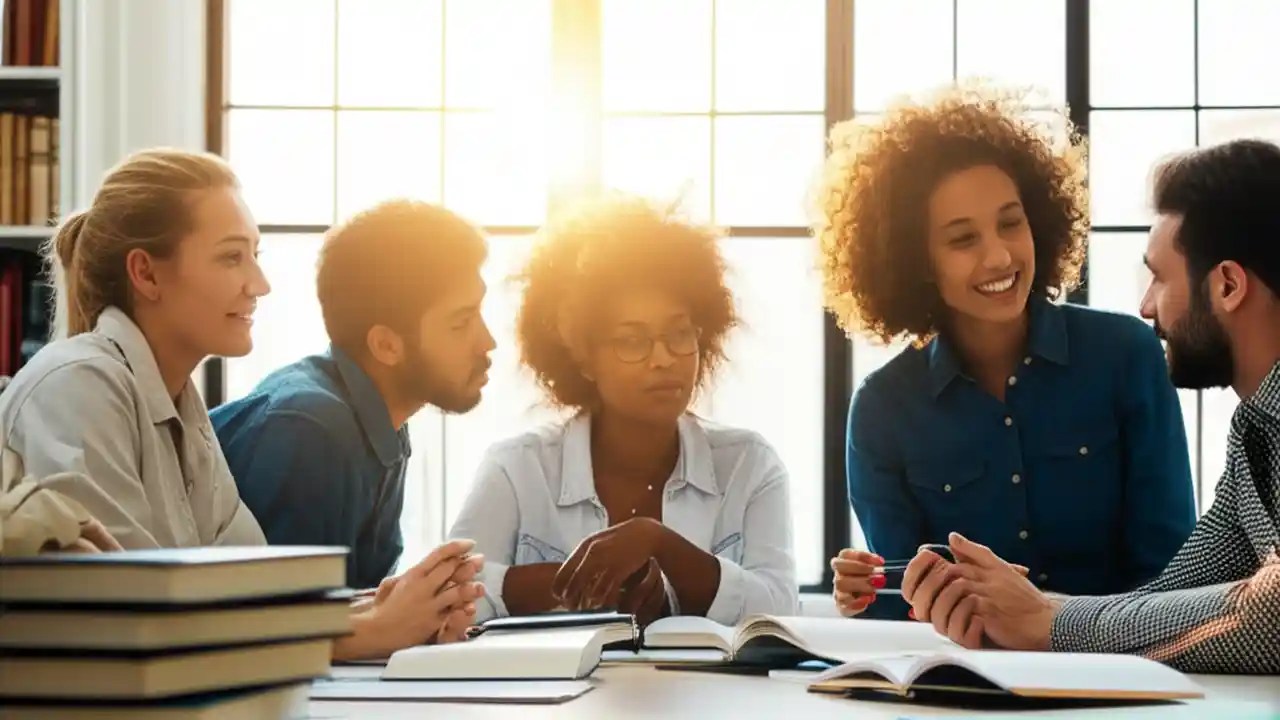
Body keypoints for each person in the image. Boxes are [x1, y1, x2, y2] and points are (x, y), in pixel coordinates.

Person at [0, 148, 483, 660]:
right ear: (146, 273)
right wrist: (372, 631)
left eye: (256, 255)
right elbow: (125, 615)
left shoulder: (181, 409)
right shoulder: (78, 387)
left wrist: (385, 608)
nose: (260, 284)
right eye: (232, 257)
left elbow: (257, 594)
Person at [900, 138, 1280, 674]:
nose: (1146, 306)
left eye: (1159, 277)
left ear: (1228, 285)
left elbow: (1271, 616)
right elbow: (1174, 596)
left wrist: (1048, 623)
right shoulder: (1255, 432)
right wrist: (1010, 606)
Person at [817, 83, 1195, 619]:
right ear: (916, 260)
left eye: (1011, 223)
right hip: (964, 668)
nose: (999, 257)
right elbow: (904, 603)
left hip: (1117, 661)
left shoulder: (1125, 356)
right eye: (962, 239)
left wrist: (1060, 626)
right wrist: (866, 591)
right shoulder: (883, 409)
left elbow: (1170, 572)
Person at [449, 196, 797, 625]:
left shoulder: (749, 464)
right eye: (633, 341)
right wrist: (592, 581)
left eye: (679, 334)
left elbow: (781, 610)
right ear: (582, 357)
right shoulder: (517, 468)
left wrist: (660, 544)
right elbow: (451, 597)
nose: (663, 359)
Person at [210, 200, 495, 590]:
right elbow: (284, 618)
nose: (488, 342)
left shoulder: (381, 419)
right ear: (386, 346)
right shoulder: (308, 430)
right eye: (461, 323)